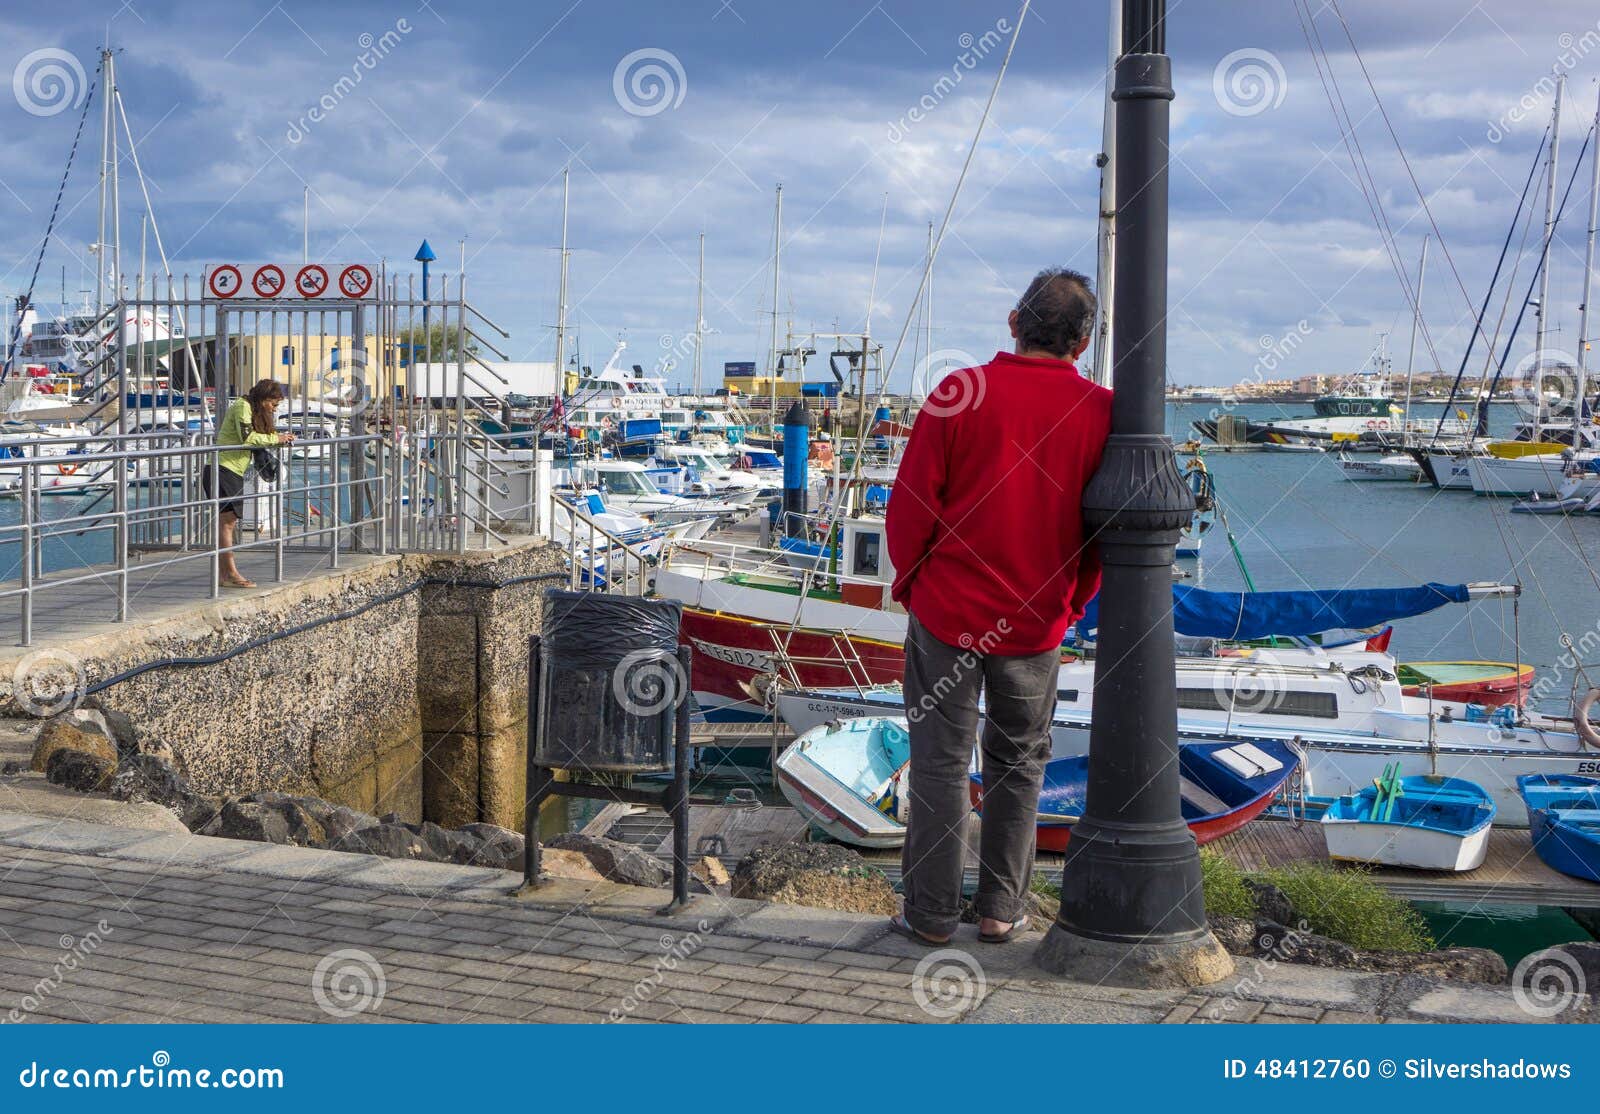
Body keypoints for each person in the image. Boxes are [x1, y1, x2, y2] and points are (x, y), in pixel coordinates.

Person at [885, 268, 1112, 945]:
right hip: (1037, 619)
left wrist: (913, 585)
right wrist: (1072, 602)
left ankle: (928, 916)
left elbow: (910, 511)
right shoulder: (1102, 412)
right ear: (1082, 342)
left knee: (939, 766)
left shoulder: (960, 392)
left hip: (948, 612)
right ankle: (1000, 912)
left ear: (1014, 322)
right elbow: (1103, 530)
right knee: (1019, 769)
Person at [205, 379, 294, 588]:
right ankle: (230, 574)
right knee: (227, 523)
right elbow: (247, 437)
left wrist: (282, 437)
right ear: (263, 399)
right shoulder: (242, 407)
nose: (274, 409)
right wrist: (277, 439)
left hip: (231, 469)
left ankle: (225, 574)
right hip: (222, 468)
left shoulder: (253, 410)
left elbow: (261, 435)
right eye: (273, 404)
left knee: (227, 523)